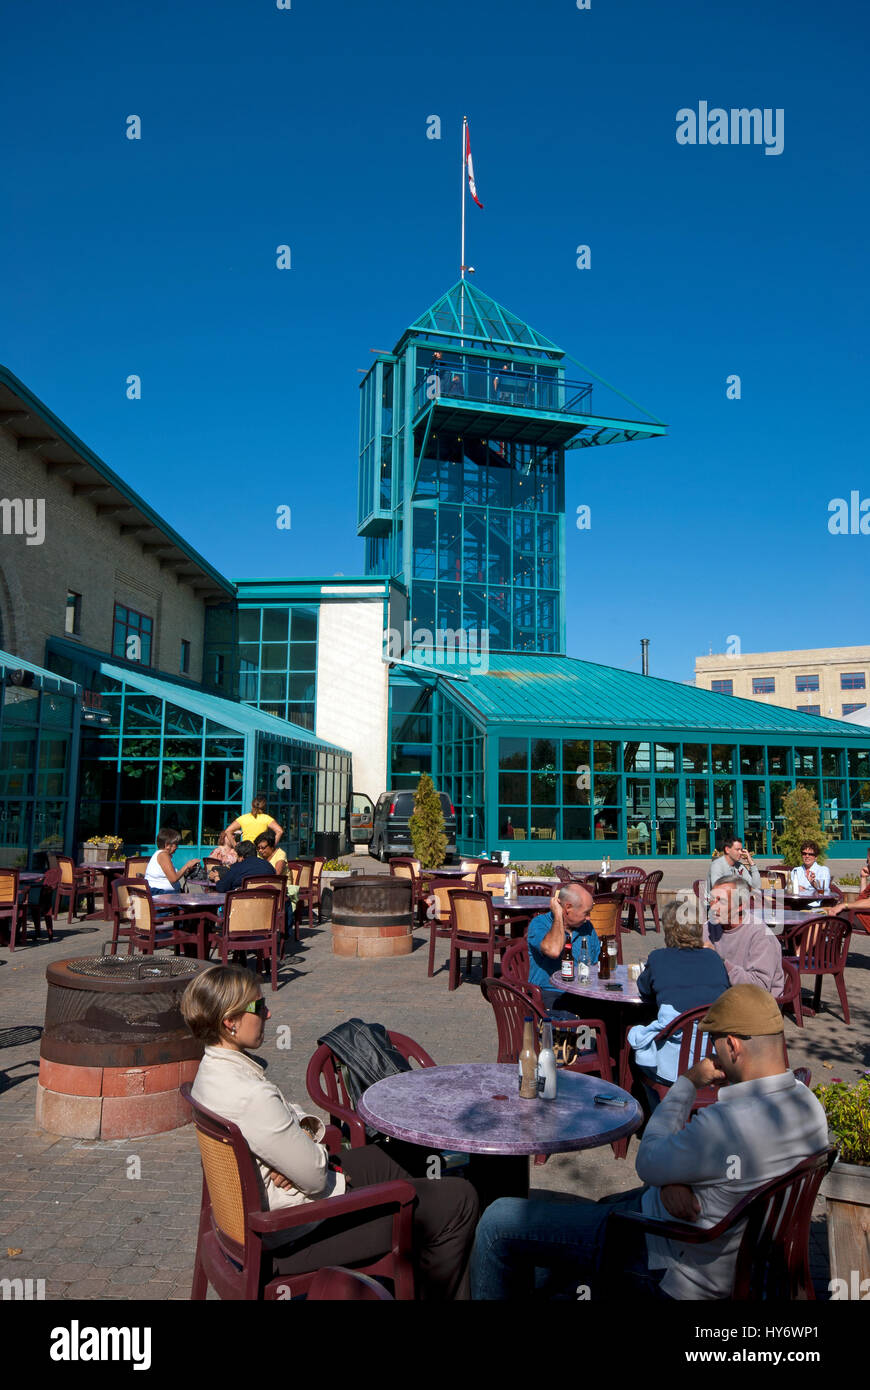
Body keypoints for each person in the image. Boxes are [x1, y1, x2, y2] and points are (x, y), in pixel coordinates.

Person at [470, 984, 828, 1300]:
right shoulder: (807, 1105)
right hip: (730, 1254)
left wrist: (687, 1082)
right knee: (594, 1209)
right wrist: (672, 1179)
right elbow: (727, 1168)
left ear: (733, 1046)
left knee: (498, 1221)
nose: (713, 1058)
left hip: (666, 1261)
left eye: (716, 1048)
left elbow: (648, 1160)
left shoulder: (726, 1125)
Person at [182, 965, 479, 1299]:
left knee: (406, 1157)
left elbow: (297, 1122)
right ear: (229, 1021)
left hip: (271, 1216)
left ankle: (426, 1261)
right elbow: (311, 1174)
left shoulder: (210, 1073)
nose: (268, 1012)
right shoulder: (251, 1095)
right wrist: (304, 1155)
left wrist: (298, 1143)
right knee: (461, 1200)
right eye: (259, 1007)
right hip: (296, 1232)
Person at [631, 903, 730, 1108]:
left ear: (668, 929)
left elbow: (644, 989)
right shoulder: (714, 958)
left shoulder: (659, 958)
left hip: (673, 1066)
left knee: (636, 1057)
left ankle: (657, 1114)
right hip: (713, 1057)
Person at [702, 878, 784, 996]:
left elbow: (759, 987)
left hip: (757, 1003)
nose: (713, 907)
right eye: (712, 900)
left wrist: (720, 962)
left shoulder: (760, 934)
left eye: (722, 901)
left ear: (740, 906)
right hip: (719, 997)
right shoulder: (708, 927)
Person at [526, 885, 600, 1008]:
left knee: (619, 1013)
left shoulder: (587, 927)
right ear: (567, 908)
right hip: (550, 993)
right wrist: (559, 916)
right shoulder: (539, 924)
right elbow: (554, 950)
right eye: (586, 913)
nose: (589, 918)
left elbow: (597, 963)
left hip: (583, 992)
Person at [144, 828, 200, 897]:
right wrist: (187, 865)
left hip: (163, 894)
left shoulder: (161, 855)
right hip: (161, 895)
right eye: (176, 844)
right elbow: (173, 879)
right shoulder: (163, 855)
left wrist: (187, 870)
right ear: (167, 845)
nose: (177, 847)